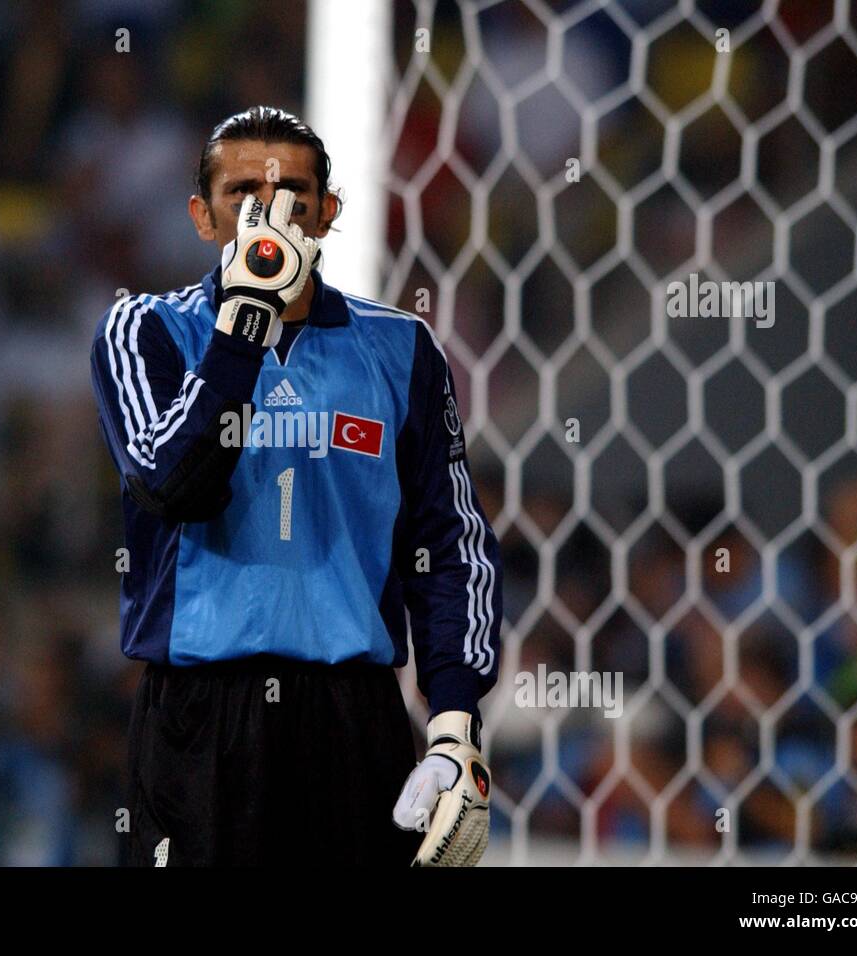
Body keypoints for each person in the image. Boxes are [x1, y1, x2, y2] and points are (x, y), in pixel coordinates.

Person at [90, 105, 502, 866]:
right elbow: (171, 482)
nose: (268, 217)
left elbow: (449, 544)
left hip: (354, 720)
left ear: (328, 215)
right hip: (200, 721)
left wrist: (453, 723)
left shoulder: (400, 346)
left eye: (292, 198)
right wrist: (244, 321)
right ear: (201, 218)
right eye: (243, 195)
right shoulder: (143, 332)